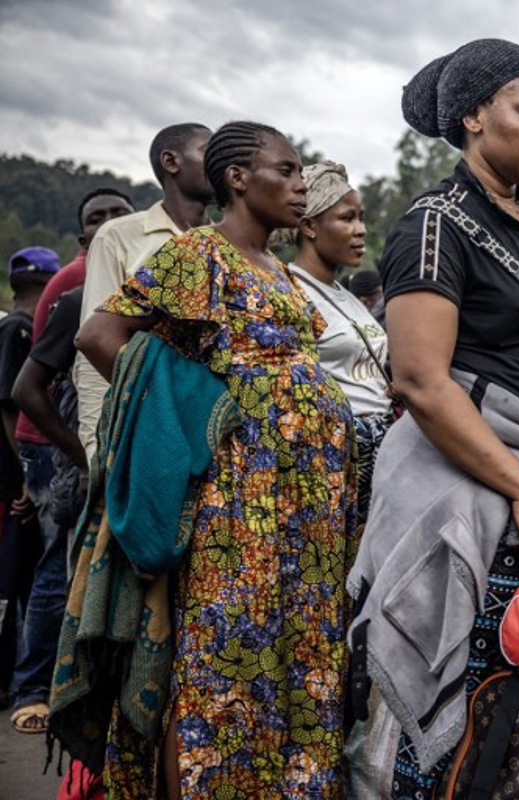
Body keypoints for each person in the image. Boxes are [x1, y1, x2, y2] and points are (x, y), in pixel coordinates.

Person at [346, 40, 519, 798]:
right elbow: (422, 381)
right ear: (473, 117)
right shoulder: (433, 225)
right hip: (475, 489)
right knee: (453, 684)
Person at [72, 120, 357, 796]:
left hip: (307, 510)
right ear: (238, 179)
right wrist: (192, 419)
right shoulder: (199, 254)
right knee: (225, 658)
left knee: (301, 654)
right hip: (241, 503)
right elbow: (99, 335)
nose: (299, 185)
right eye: (285, 171)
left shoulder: (282, 273)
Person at [5, 190, 133, 736]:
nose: (107, 225)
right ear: (83, 240)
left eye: (117, 216)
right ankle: (33, 688)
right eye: (95, 220)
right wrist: (79, 454)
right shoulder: (76, 295)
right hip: (73, 457)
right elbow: (29, 389)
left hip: (125, 457)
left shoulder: (148, 292)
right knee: (60, 567)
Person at [75, 123, 213, 460]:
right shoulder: (119, 237)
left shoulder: (225, 244)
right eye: (209, 152)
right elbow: (93, 348)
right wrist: (97, 446)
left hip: (206, 431)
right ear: (171, 161)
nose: (222, 162)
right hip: (140, 432)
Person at [283, 161, 390, 524]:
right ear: (309, 226)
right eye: (347, 219)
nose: (361, 230)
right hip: (332, 459)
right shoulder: (289, 290)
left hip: (380, 451)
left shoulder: (345, 295)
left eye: (361, 218)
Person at [0, 246, 59, 730]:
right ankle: (28, 681)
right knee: (39, 570)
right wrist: (22, 472)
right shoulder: (16, 330)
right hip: (30, 459)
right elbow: (12, 401)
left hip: (26, 461)